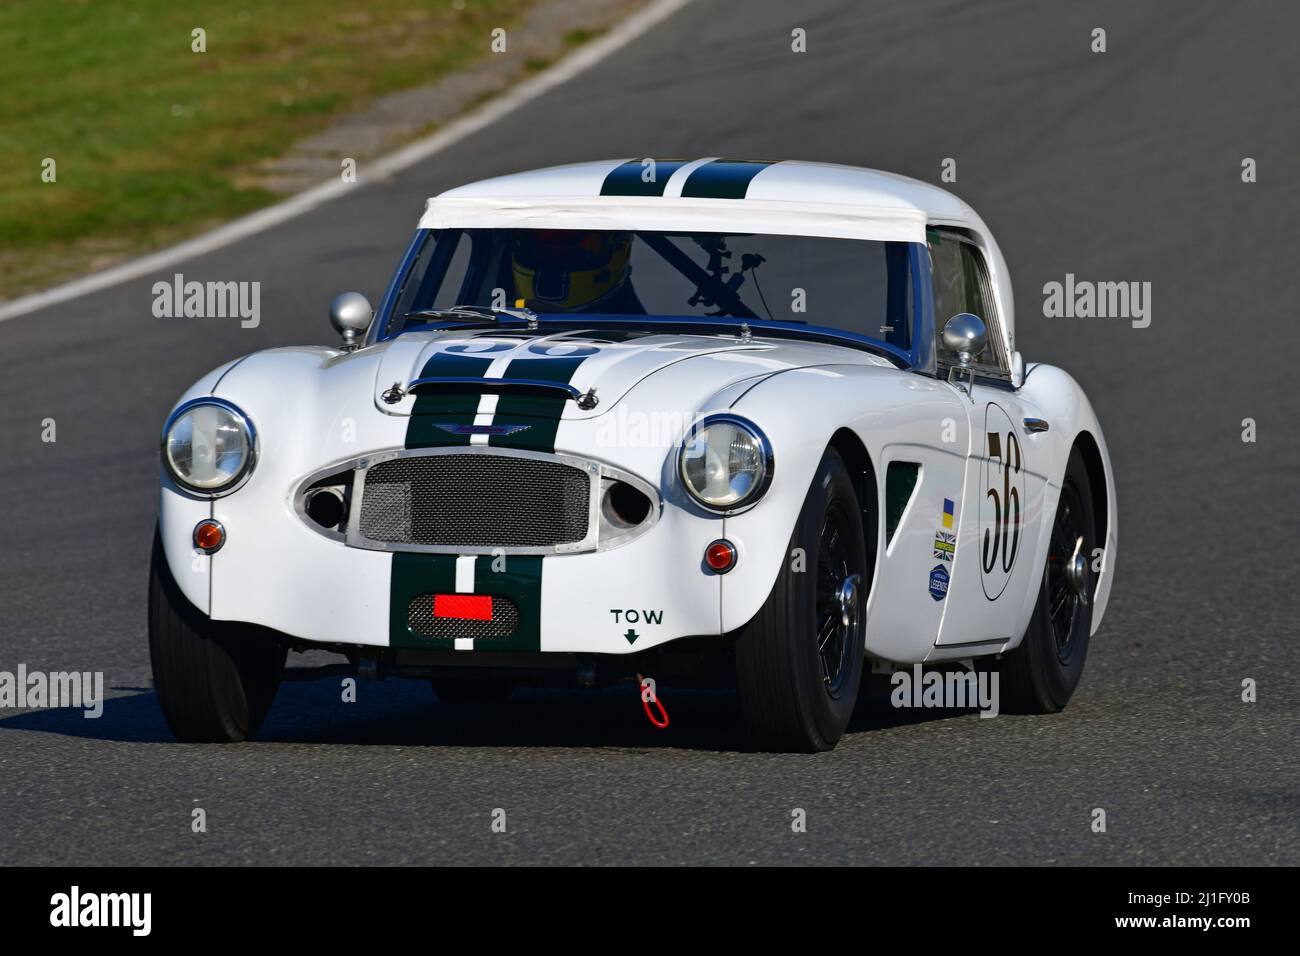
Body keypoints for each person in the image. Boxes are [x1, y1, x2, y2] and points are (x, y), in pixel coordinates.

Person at [510, 229, 644, 313]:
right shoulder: (495, 310)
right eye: (543, 249)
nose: (556, 255)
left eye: (569, 250)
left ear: (619, 247)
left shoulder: (644, 333)